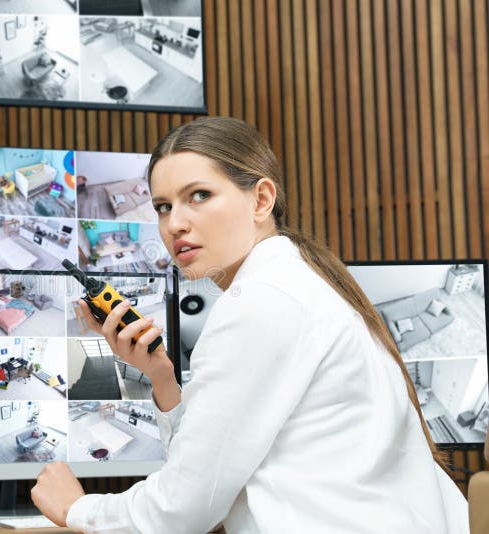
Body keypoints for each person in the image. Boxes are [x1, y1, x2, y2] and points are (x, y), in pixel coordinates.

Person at [30, 117, 468, 533]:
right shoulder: (296, 282)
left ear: (261, 200)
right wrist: (161, 376)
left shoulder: (260, 305)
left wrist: (77, 508)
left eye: (199, 195)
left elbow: (181, 511)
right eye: (163, 206)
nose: (174, 223)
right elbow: (209, 466)